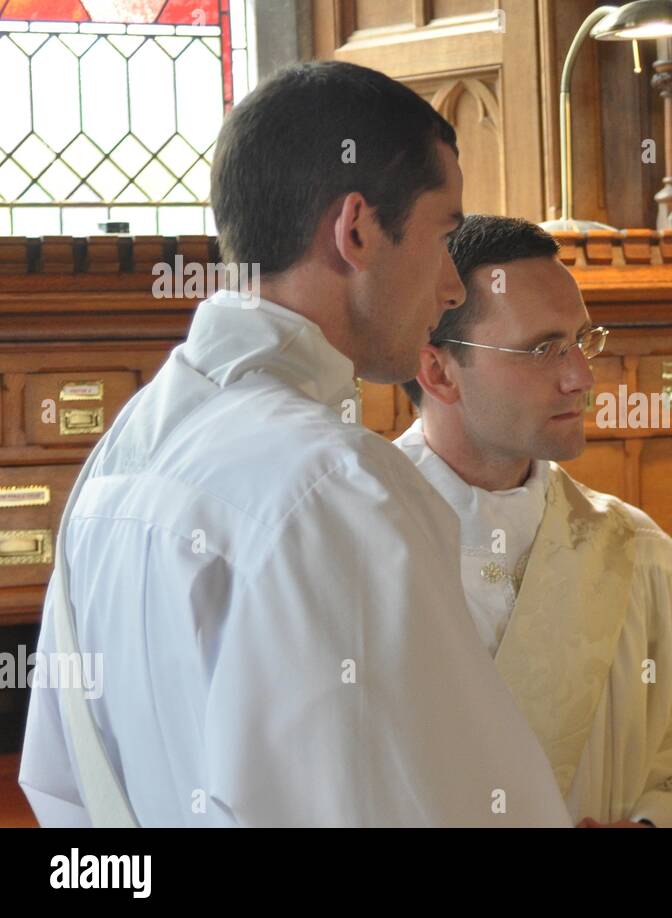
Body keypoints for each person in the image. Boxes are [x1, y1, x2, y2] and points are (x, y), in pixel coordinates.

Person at [20, 62, 570, 827]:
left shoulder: (120, 457)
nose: (452, 286)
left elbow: (61, 788)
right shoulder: (343, 486)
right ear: (356, 230)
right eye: (444, 236)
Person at [398, 215, 672, 827]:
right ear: (438, 372)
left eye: (583, 341)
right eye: (543, 349)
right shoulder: (355, 545)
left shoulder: (639, 556)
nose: (581, 377)